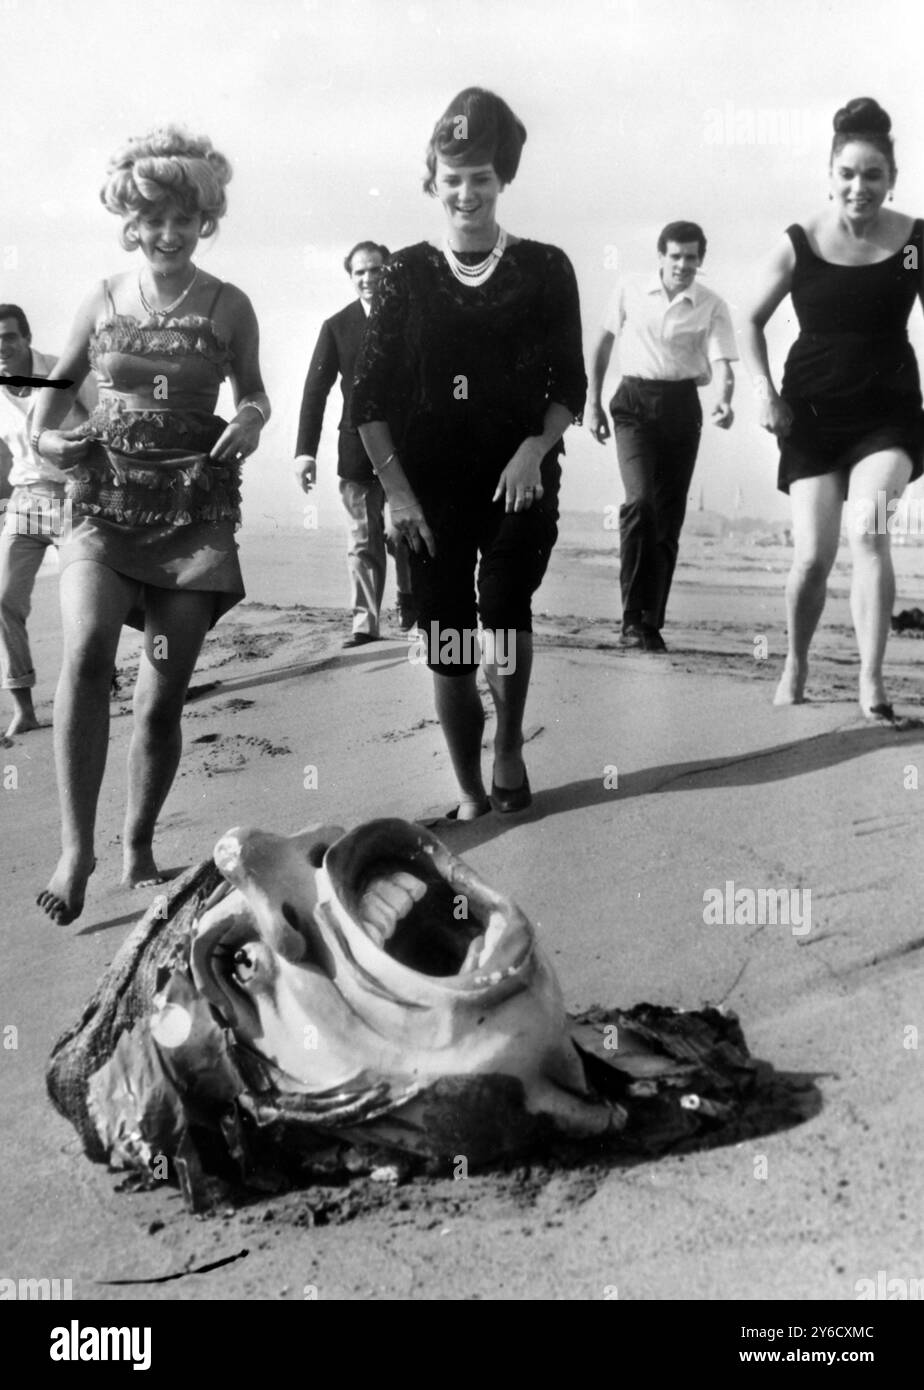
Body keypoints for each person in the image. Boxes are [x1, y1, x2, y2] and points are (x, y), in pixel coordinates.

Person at [31, 125, 270, 924]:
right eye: (154, 219)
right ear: (131, 220)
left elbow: (257, 392)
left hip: (194, 514)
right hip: (102, 502)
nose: (169, 234)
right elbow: (51, 395)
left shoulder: (230, 305)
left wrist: (251, 420)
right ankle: (76, 850)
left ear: (207, 220)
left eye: (186, 219)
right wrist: (47, 437)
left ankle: (137, 842)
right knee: (89, 650)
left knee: (162, 697)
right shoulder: (99, 297)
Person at [352, 87, 586, 821]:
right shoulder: (403, 276)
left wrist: (535, 450)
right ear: (432, 182)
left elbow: (569, 384)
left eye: (480, 177)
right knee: (449, 638)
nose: (466, 192)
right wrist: (399, 496)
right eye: (451, 178)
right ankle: (466, 787)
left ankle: (509, 743)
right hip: (428, 489)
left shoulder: (547, 269)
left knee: (506, 611)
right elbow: (369, 402)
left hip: (517, 478)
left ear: (502, 180)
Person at [740, 97, 923, 720]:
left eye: (873, 175)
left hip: (889, 413)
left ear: (891, 178)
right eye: (848, 173)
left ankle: (872, 684)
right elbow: (749, 319)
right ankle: (796, 660)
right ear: (830, 174)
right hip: (812, 413)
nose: (860, 186)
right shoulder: (802, 241)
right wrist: (763, 392)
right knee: (813, 558)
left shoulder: (914, 241)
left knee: (869, 531)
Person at [587, 222, 737, 651]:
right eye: (675, 256)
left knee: (668, 519)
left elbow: (723, 361)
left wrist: (725, 399)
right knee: (640, 504)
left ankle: (650, 622)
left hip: (681, 407)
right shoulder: (629, 288)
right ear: (660, 257)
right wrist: (592, 401)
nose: (683, 265)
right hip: (632, 402)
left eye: (691, 258)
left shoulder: (711, 305)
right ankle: (632, 617)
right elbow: (601, 344)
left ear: (700, 261)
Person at [295, 241, 416, 645]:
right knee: (363, 540)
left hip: (409, 448)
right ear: (351, 277)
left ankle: (411, 595)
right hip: (357, 451)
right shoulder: (337, 326)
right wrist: (304, 452)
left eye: (376, 270)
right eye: (360, 272)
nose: (368, 279)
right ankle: (366, 624)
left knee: (408, 532)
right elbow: (316, 390)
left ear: (390, 272)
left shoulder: (414, 320)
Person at [0, 305, 96, 737]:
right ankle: (24, 706)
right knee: (3, 599)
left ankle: (140, 676)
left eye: (8, 337)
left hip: (76, 497)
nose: (1, 347)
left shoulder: (62, 371)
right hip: (24, 501)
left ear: (26, 338)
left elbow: (104, 420)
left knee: (92, 603)